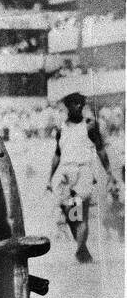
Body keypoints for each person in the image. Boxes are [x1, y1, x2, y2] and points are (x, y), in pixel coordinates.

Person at [48, 91, 118, 263]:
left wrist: (108, 171)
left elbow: (100, 149)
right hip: (66, 173)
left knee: (82, 214)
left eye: (81, 104)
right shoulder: (61, 129)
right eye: (74, 104)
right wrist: (50, 177)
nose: (78, 107)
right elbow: (57, 154)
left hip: (84, 171)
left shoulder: (89, 126)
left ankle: (79, 250)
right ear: (68, 107)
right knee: (71, 214)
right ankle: (83, 249)